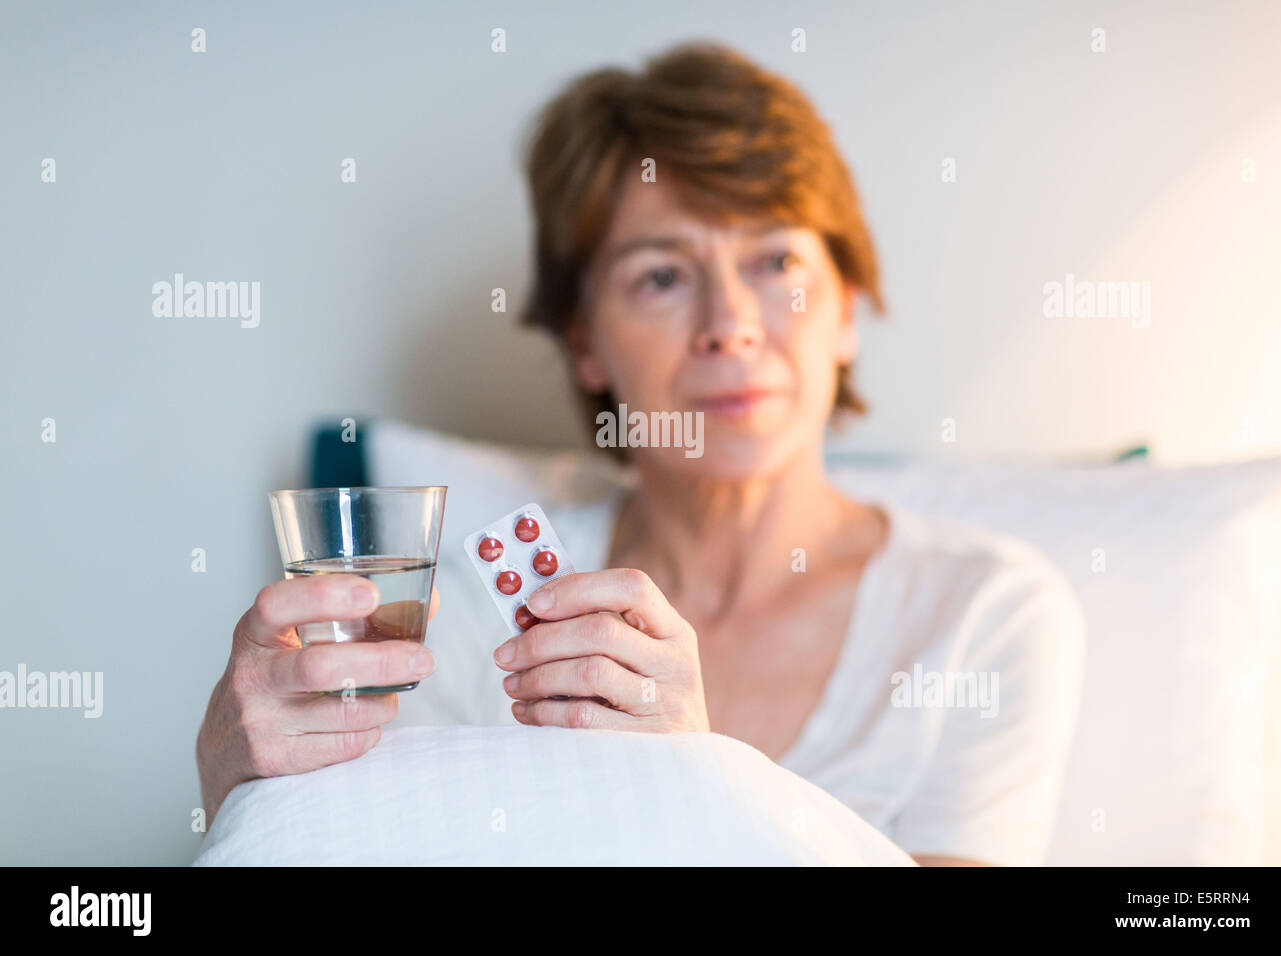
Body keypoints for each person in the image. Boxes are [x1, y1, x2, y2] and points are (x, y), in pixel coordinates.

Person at [196, 42, 1085, 866]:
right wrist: (242, 795)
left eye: (776, 262)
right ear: (586, 343)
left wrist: (693, 784)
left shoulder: (981, 616)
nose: (731, 326)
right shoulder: (471, 618)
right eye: (661, 276)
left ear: (847, 308)